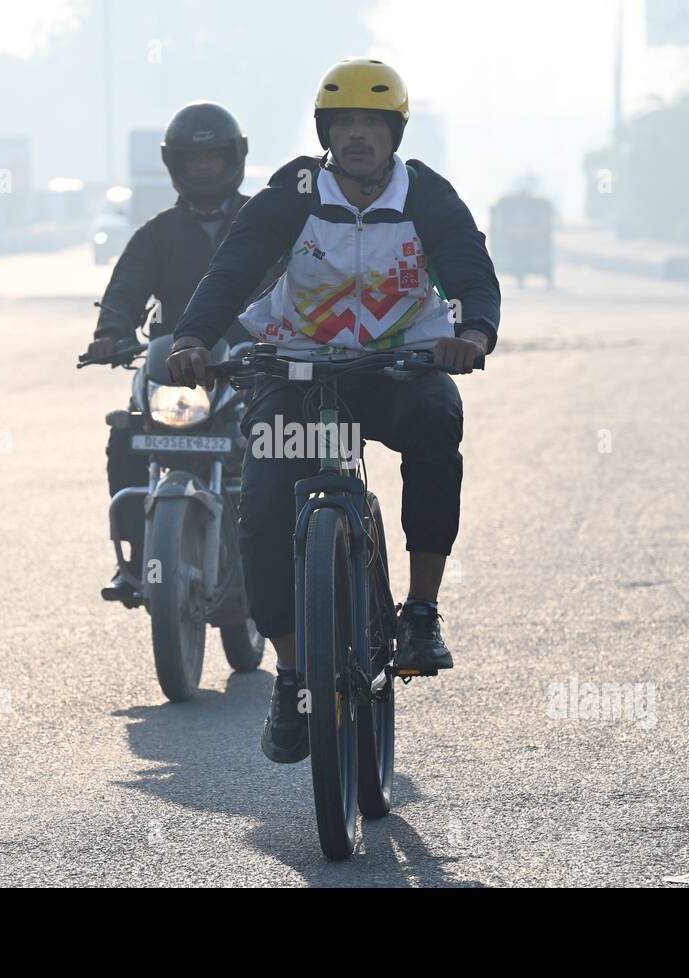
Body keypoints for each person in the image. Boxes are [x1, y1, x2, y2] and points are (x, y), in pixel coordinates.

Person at [166, 58, 501, 763]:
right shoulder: (292, 191)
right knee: (260, 503)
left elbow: (469, 267)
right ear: (325, 131)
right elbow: (235, 266)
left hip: (398, 368)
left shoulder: (428, 197)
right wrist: (195, 335)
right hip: (298, 368)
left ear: (393, 134)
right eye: (343, 123)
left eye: (371, 125)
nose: (356, 137)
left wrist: (471, 334)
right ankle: (291, 675)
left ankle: (420, 612)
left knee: (439, 424)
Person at [82, 101, 256, 603]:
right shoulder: (156, 234)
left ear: (233, 159)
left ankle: (290, 555)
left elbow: (298, 281)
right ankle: (137, 562)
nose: (203, 168)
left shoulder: (261, 223)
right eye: (192, 160)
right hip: (176, 373)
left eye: (213, 158)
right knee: (127, 437)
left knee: (282, 445)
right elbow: (125, 291)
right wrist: (111, 333)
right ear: (175, 166)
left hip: (250, 368)